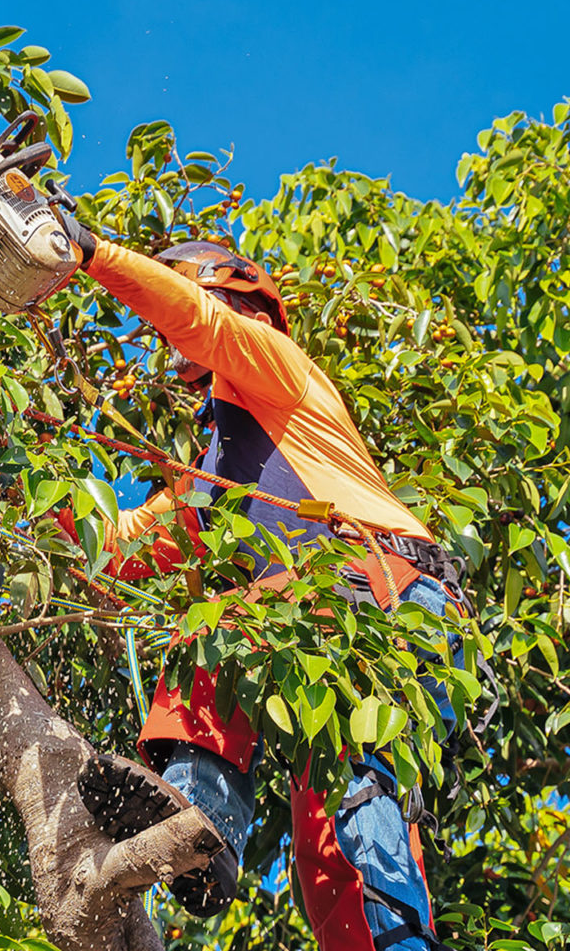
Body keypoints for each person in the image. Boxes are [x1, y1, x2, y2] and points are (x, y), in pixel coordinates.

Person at [53, 225, 466, 951]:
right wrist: (11, 471)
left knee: (361, 808)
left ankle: (390, 939)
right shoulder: (209, 481)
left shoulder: (278, 366)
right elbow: (112, 548)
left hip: (380, 593)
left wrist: (90, 251)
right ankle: (200, 827)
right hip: (308, 630)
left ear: (243, 303)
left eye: (194, 297)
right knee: (322, 850)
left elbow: (201, 322)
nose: (180, 339)